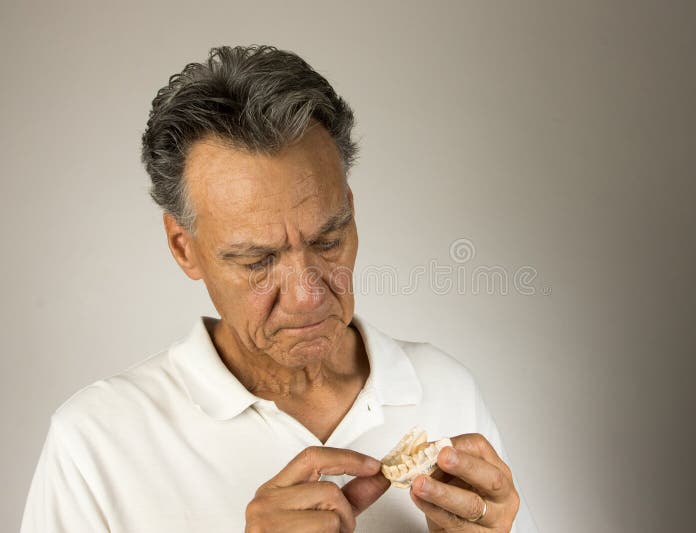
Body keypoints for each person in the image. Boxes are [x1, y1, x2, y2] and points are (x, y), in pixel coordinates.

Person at [20, 45, 538, 532]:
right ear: (184, 248)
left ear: (352, 212)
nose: (308, 295)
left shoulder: (447, 391)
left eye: (329, 240)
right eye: (257, 260)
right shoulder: (96, 442)